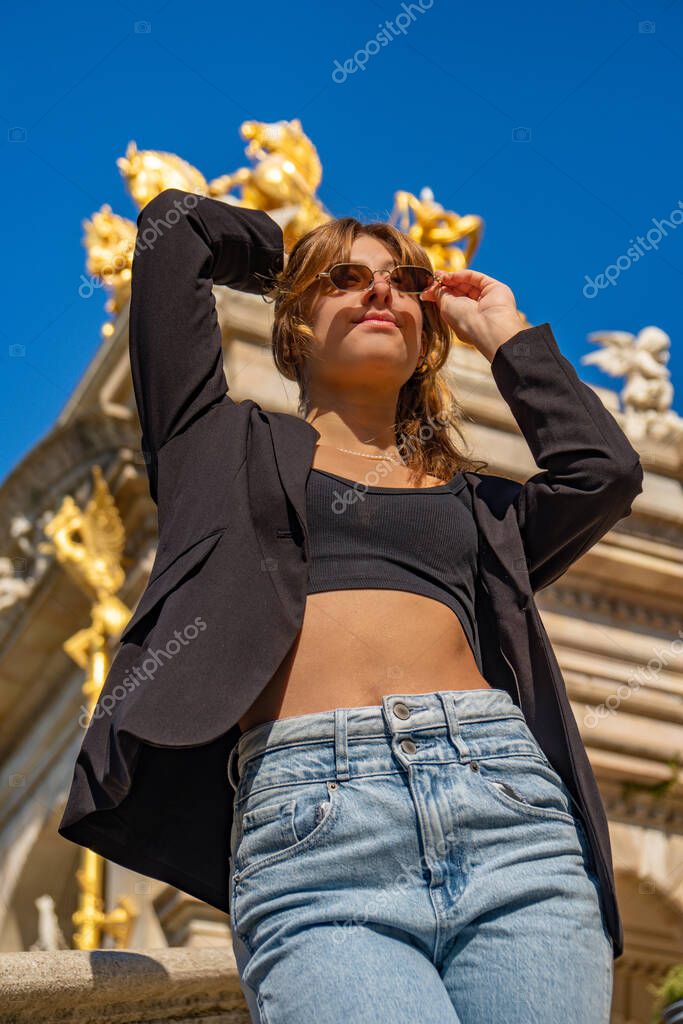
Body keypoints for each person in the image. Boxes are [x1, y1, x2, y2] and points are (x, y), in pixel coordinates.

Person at [58, 188, 643, 1023]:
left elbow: (602, 474)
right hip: (315, 826)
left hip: (507, 813)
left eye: (401, 281)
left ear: (425, 333)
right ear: (293, 327)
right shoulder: (219, 449)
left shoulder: (475, 505)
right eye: (345, 280)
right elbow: (170, 229)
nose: (378, 292)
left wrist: (503, 336)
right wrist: (292, 258)